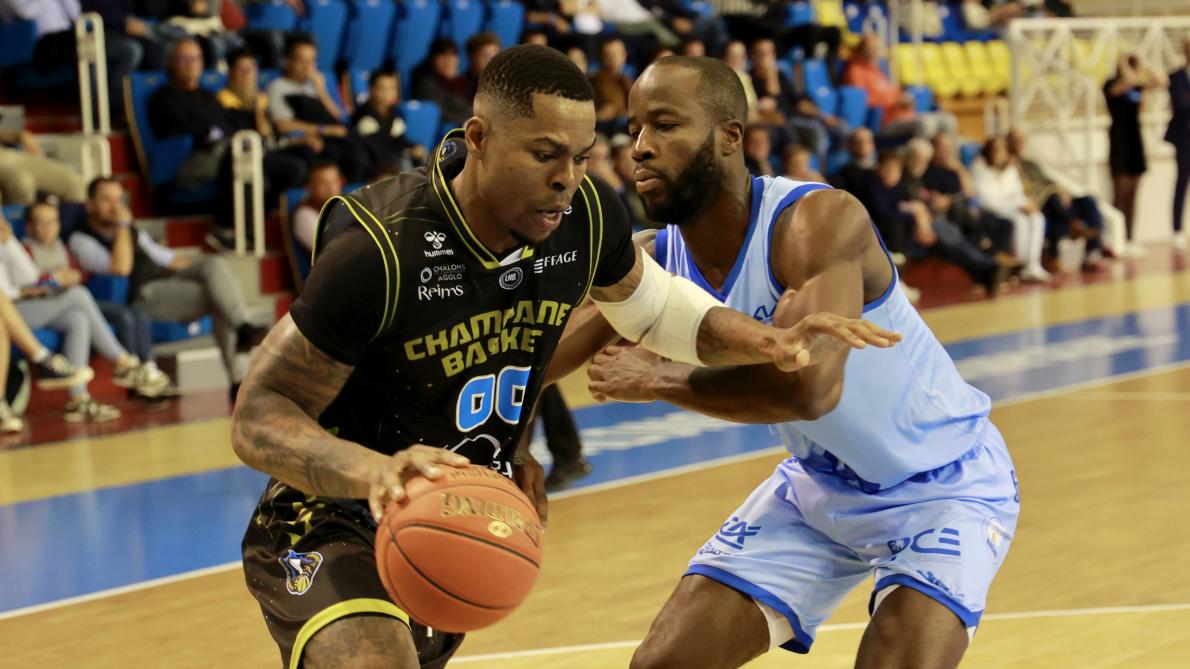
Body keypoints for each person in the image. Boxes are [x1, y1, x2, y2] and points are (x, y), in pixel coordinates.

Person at [228, 44, 886, 669]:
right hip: (329, 513)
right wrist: (378, 472)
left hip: (454, 508)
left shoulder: (583, 216)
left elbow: (654, 309)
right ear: (479, 137)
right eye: (545, 154)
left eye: (580, 155)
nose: (567, 179)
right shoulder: (381, 248)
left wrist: (765, 339)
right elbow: (258, 413)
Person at [566, 55, 1017, 669]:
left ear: (730, 136)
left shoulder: (817, 221)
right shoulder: (651, 262)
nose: (640, 148)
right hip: (819, 488)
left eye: (664, 126)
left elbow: (811, 392)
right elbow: (533, 357)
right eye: (635, 129)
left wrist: (659, 379)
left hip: (943, 486)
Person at [69, 177, 268, 399]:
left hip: (162, 285)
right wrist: (123, 226)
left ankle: (242, 332)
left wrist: (212, 275)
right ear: (90, 205)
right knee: (219, 299)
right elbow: (121, 268)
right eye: (106, 200)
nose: (115, 206)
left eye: (118, 199)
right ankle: (239, 373)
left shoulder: (133, 232)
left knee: (215, 266)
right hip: (138, 297)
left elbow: (166, 258)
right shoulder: (81, 239)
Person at [23, 200, 178, 400]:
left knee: (78, 318)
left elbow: (81, 274)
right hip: (26, 310)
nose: (47, 228)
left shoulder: (61, 246)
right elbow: (20, 287)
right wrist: (52, 280)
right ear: (29, 226)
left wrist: (74, 277)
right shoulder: (23, 249)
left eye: (52, 222)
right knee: (79, 295)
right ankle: (124, 362)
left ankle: (79, 398)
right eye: (40, 222)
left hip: (59, 306)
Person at [1104, 53, 1164, 256]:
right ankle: (1115, 239)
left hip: (1135, 141)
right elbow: (1127, 82)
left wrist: (1145, 65)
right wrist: (1122, 61)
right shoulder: (1110, 84)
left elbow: (1161, 81)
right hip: (1119, 141)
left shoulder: (1137, 85)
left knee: (1133, 196)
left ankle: (1130, 238)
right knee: (1120, 194)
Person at [844, 34, 958, 139]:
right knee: (927, 123)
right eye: (871, 48)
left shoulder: (880, 70)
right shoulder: (855, 71)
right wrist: (895, 102)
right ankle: (919, 156)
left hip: (904, 115)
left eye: (877, 48)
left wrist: (905, 99)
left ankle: (944, 156)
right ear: (862, 50)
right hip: (885, 120)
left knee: (948, 120)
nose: (874, 51)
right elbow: (860, 100)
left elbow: (894, 92)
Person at [971, 136, 1050, 282]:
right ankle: (1019, 266)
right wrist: (1017, 206)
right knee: (1020, 221)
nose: (999, 154)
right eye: (995, 150)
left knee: (1037, 217)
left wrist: (1025, 204)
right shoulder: (979, 167)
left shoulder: (1011, 168)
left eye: (1002, 150)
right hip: (993, 209)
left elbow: (1017, 193)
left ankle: (1033, 265)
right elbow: (986, 200)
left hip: (1013, 206)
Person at [1166, 38, 1190, 250]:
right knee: (1182, 180)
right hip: (1184, 137)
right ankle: (1177, 228)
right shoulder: (1176, 76)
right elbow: (1181, 105)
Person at [291, 159, 342, 253]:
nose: (330, 187)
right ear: (308, 187)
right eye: (322, 183)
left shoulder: (343, 205)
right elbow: (330, 251)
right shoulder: (304, 213)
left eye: (334, 181)